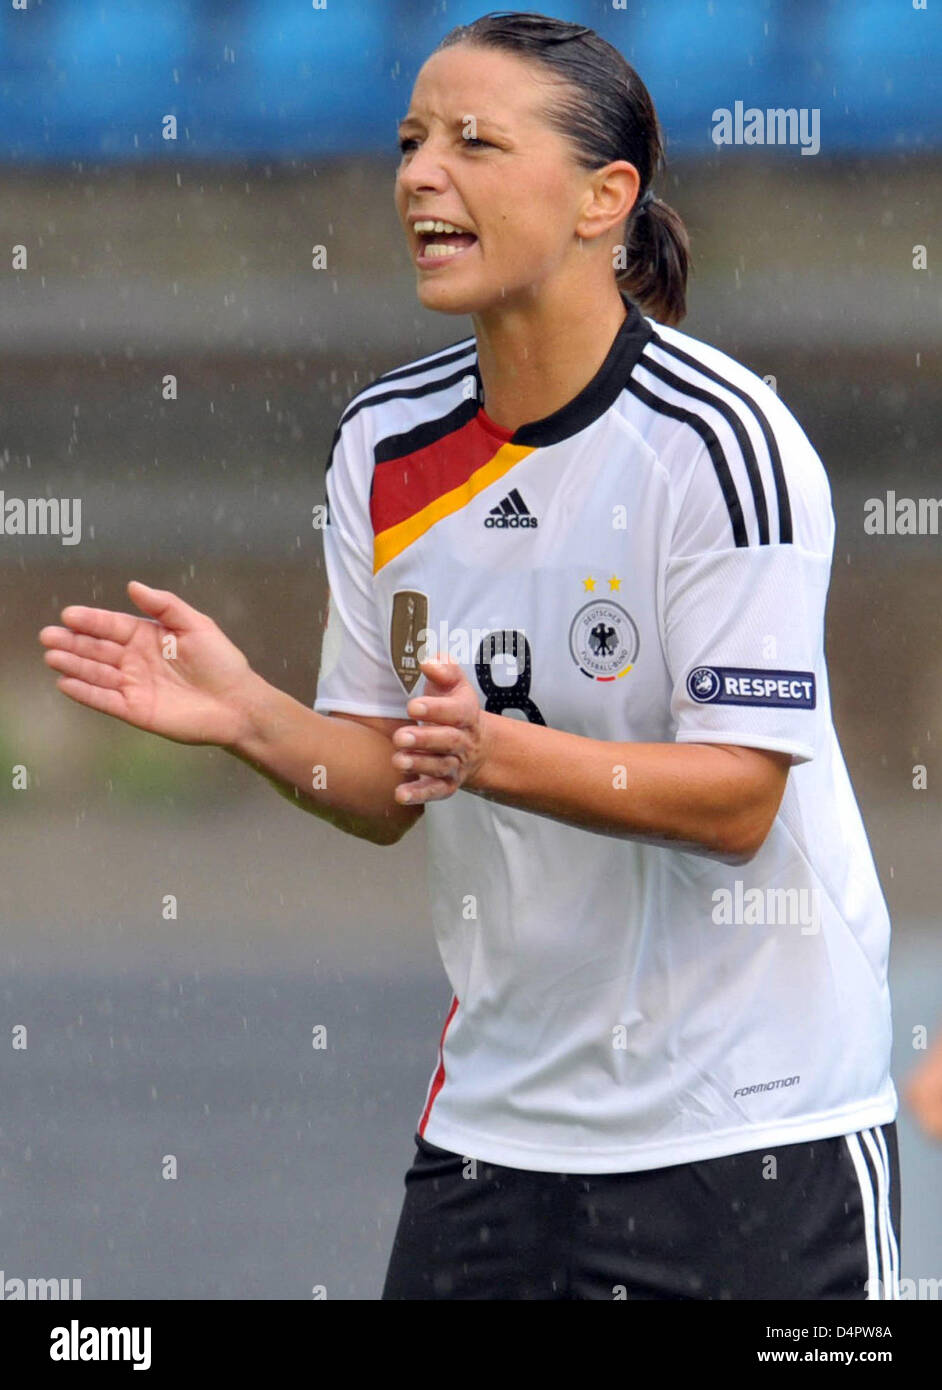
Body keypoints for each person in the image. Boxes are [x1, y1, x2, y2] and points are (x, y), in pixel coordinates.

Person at [39, 12, 900, 1300]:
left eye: (476, 143)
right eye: (410, 141)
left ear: (605, 199)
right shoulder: (382, 446)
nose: (419, 175)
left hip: (754, 1141)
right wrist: (249, 715)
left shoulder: (726, 444)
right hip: (497, 1140)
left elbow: (736, 799)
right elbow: (393, 784)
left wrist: (495, 754)